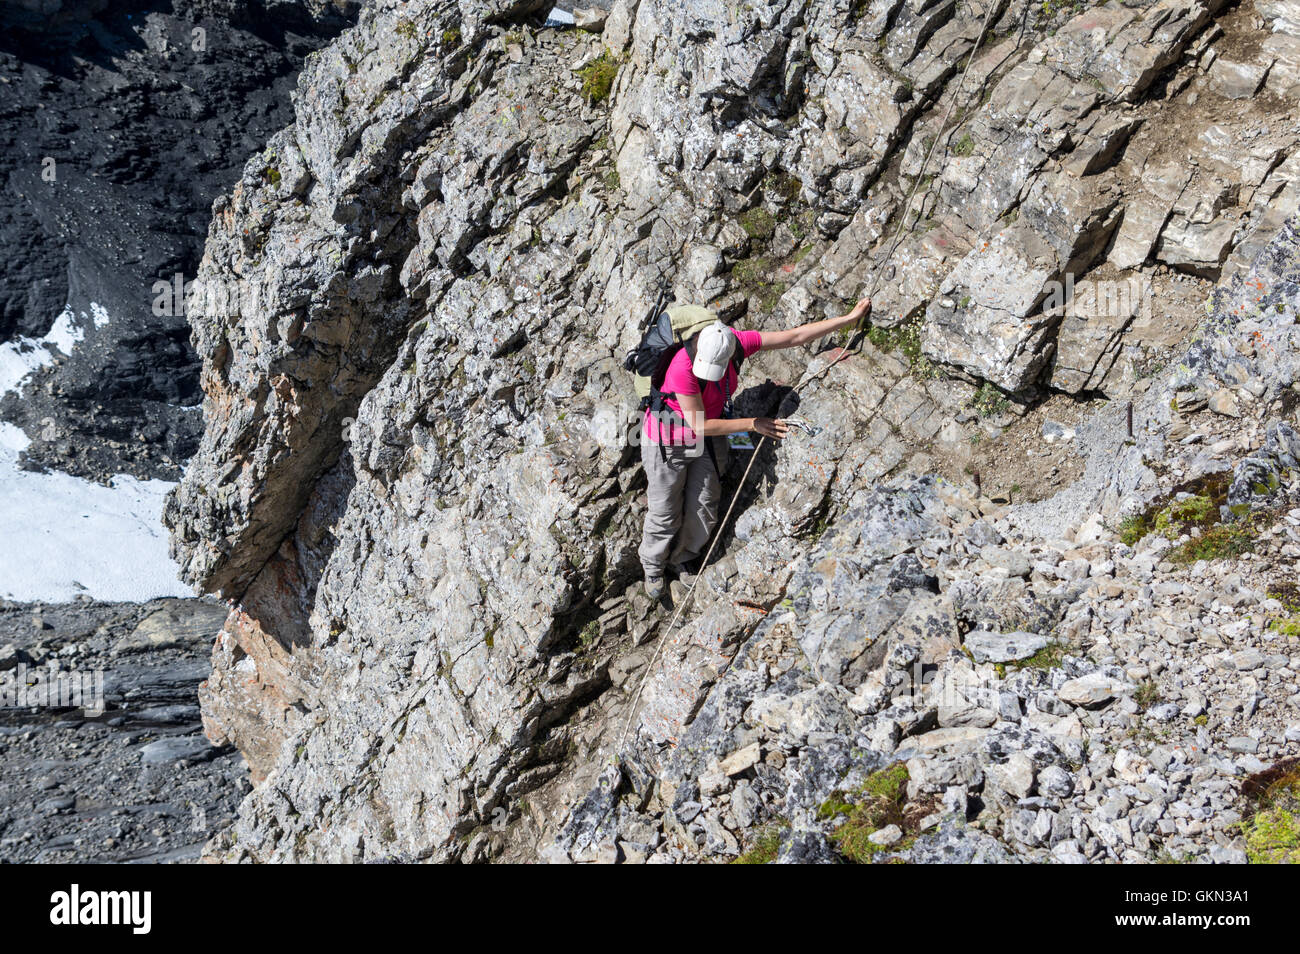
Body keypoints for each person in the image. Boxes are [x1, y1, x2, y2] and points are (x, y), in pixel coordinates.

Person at [638, 297, 873, 599]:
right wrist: (752, 424)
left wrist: (847, 319)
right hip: (667, 440)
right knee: (665, 509)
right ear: (696, 347)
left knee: (706, 502)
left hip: (709, 434)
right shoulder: (681, 368)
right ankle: (653, 566)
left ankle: (682, 557)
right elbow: (699, 426)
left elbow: (794, 336)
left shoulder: (736, 343)